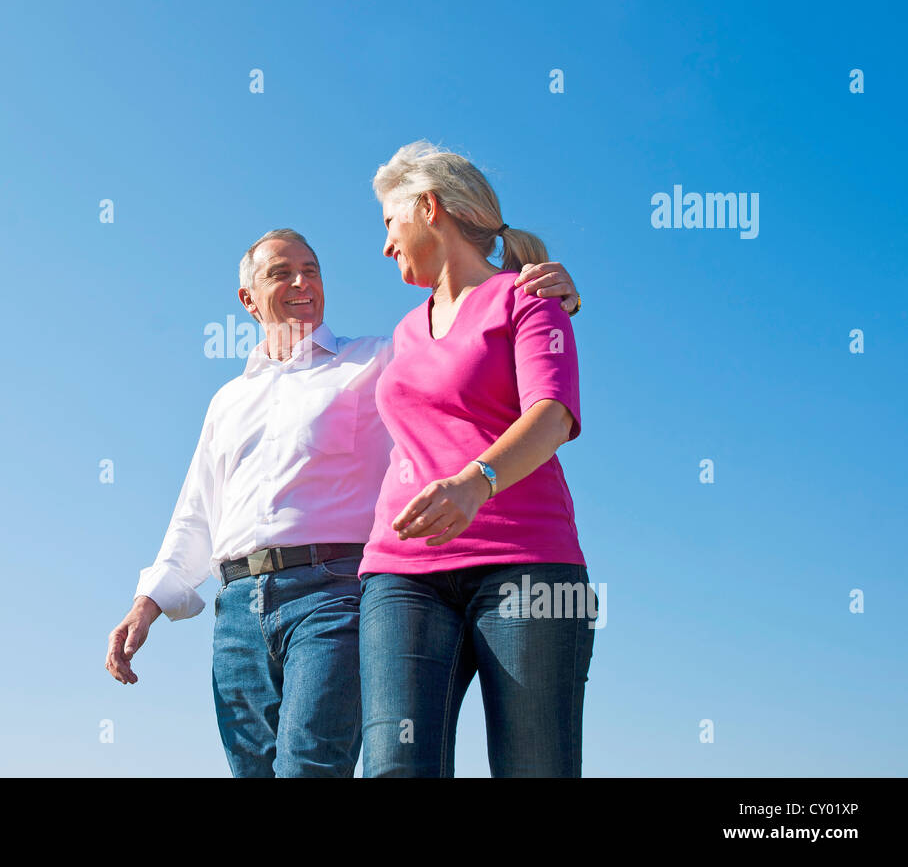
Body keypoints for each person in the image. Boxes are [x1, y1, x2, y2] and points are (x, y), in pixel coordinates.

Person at [106, 227, 580, 777]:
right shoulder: (228, 400)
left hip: (333, 592)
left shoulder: (377, 361)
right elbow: (196, 511)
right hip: (236, 609)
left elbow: (462, 339)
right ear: (248, 299)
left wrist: (544, 299)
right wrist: (147, 604)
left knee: (309, 767)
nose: (302, 282)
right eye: (282, 273)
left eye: (311, 269)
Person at [359, 140, 595, 778]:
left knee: (534, 768)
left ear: (429, 208)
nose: (385, 245)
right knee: (394, 766)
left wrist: (475, 483)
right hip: (401, 573)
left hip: (526, 567)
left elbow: (552, 415)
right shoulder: (404, 333)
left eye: (389, 222)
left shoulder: (528, 297)